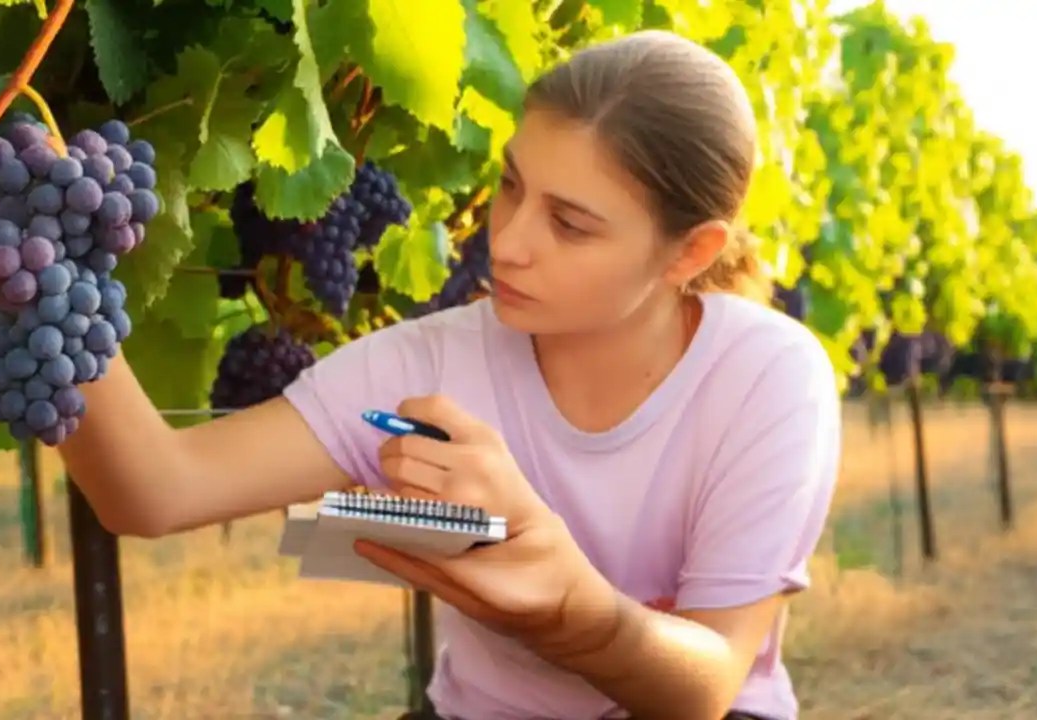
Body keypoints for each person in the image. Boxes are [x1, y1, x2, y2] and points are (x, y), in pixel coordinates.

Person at [57, 29, 841, 720]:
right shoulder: (433, 362)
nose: (510, 241)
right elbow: (156, 489)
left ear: (691, 252)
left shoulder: (767, 377)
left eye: (569, 224)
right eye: (509, 185)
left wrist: (575, 608)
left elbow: (703, 691)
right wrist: (50, 277)